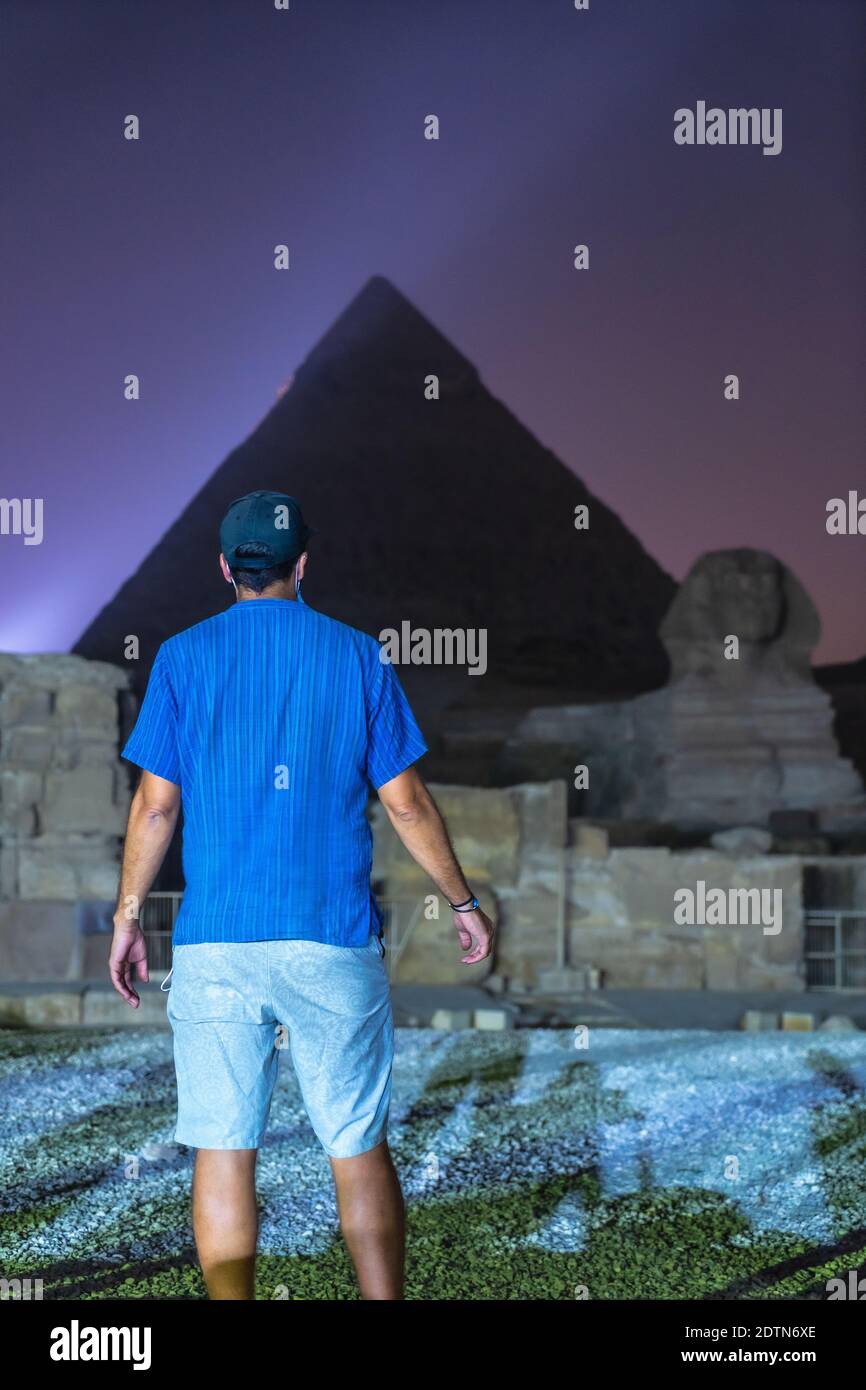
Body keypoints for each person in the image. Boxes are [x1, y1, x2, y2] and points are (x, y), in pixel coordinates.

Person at [109, 489, 495, 1301]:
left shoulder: (182, 657)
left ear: (224, 568)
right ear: (303, 566)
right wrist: (461, 902)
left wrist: (127, 918)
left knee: (224, 1148)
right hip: (332, 937)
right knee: (356, 1145)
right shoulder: (357, 656)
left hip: (216, 939)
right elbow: (406, 803)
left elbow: (155, 805)